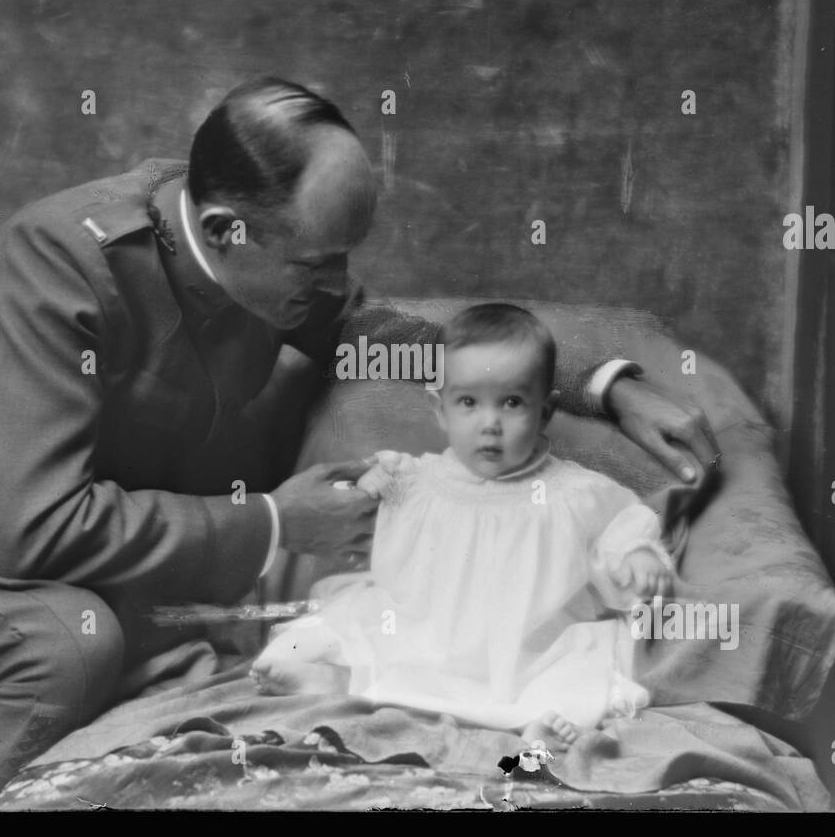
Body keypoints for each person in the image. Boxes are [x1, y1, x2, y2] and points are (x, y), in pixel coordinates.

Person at [0, 77, 718, 807]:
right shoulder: (60, 261)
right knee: (74, 644)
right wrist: (274, 522)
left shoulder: (250, 240)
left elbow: (381, 334)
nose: (338, 285)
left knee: (147, 639)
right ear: (225, 230)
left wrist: (602, 384)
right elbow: (29, 528)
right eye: (321, 264)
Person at [251, 303, 674, 745]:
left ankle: (540, 721)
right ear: (440, 409)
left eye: (512, 403)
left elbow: (620, 524)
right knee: (348, 622)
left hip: (528, 645)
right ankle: (335, 682)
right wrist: (369, 484)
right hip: (428, 631)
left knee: (578, 663)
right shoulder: (414, 479)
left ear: (545, 412)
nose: (490, 424)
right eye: (469, 403)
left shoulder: (574, 494)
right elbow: (346, 503)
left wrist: (636, 554)